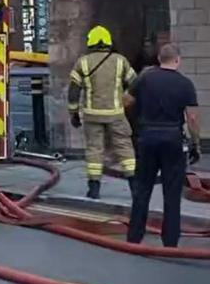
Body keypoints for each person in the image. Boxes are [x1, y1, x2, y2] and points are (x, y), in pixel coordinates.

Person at [126, 43, 200, 247]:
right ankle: (170, 241)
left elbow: (126, 101)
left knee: (142, 189)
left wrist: (137, 122)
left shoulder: (144, 79)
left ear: (159, 59)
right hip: (172, 138)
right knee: (172, 193)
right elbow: (192, 118)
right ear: (177, 60)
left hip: (147, 137)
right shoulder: (185, 83)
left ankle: (134, 237)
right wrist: (195, 143)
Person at [67, 25, 137, 199]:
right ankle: (135, 187)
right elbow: (136, 84)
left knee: (94, 150)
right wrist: (127, 99)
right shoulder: (120, 61)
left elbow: (73, 91)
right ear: (108, 42)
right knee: (124, 148)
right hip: (116, 114)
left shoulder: (83, 62)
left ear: (90, 42)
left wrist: (74, 113)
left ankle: (94, 188)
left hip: (92, 115)